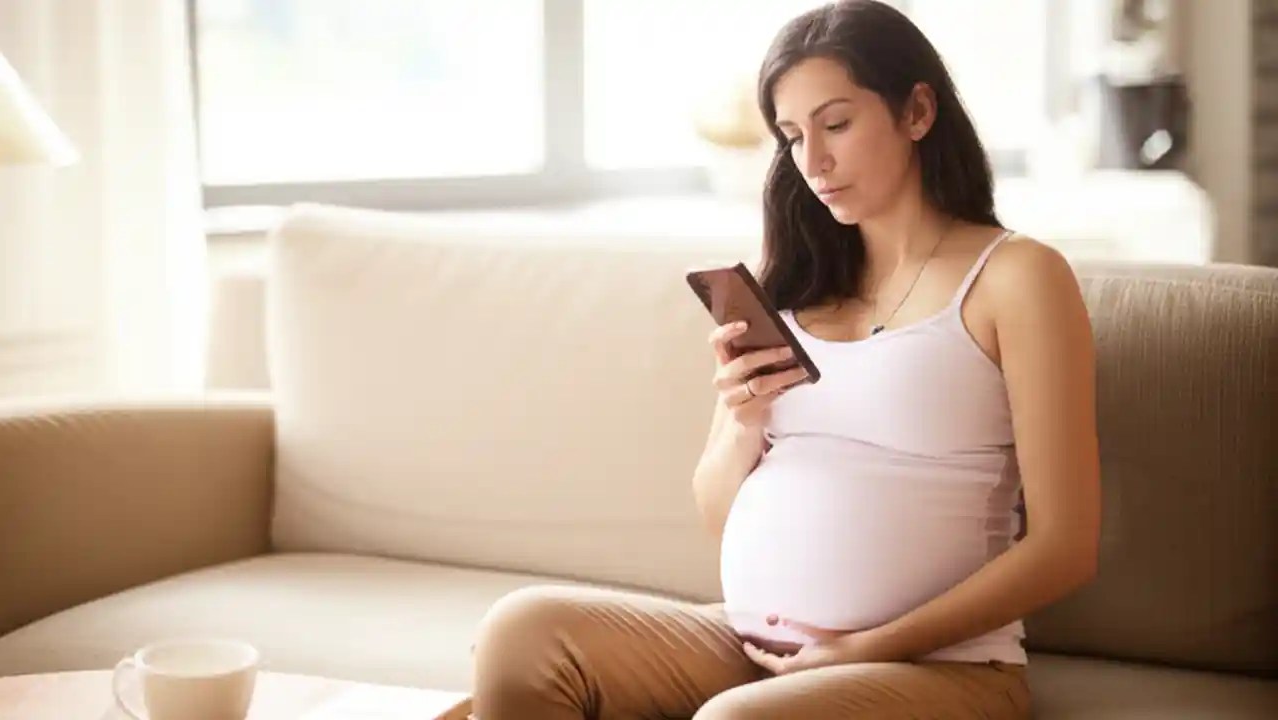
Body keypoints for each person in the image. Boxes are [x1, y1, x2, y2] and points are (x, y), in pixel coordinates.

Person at [471, 1, 1100, 717]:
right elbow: (717, 513)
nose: (814, 162)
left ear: (917, 110)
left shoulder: (1017, 276)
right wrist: (745, 420)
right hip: (751, 647)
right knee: (523, 632)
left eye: (835, 124)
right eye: (793, 136)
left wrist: (869, 648)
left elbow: (1066, 546)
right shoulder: (791, 284)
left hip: (942, 668)